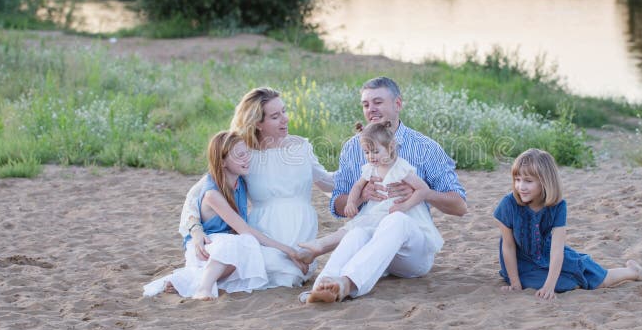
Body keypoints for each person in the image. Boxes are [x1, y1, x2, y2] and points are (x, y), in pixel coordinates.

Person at [305, 76, 467, 303]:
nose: (371, 109)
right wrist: (360, 197)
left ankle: (347, 284)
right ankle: (324, 284)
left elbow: (460, 206)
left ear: (398, 104)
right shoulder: (354, 148)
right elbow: (339, 206)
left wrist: (422, 194)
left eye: (378, 102)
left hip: (410, 254)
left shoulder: (426, 148)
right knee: (357, 233)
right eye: (365, 104)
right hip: (371, 243)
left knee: (396, 220)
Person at [178, 87, 335, 289]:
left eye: (284, 111)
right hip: (263, 233)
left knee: (292, 272)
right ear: (258, 123)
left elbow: (327, 181)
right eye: (275, 116)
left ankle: (203, 278)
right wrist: (196, 229)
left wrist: (365, 180)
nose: (285, 119)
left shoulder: (301, 147)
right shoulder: (244, 154)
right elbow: (197, 195)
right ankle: (196, 280)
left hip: (299, 232)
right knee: (261, 263)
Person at [143, 131, 309, 300]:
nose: (246, 158)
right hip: (207, 250)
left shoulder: (240, 180)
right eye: (239, 155)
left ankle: (187, 279)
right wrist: (287, 249)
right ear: (222, 162)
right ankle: (203, 287)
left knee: (284, 267)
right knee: (241, 241)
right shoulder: (212, 193)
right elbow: (244, 230)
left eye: (246, 153)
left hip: (231, 250)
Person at [495, 148, 642, 300]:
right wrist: (515, 283)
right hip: (521, 264)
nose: (521, 187)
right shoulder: (508, 204)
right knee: (560, 284)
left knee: (595, 279)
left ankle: (633, 271)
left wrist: (549, 286)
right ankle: (555, 280)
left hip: (547, 254)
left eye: (528, 181)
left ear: (545, 182)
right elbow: (508, 246)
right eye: (517, 179)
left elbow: (557, 249)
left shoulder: (557, 206)